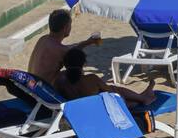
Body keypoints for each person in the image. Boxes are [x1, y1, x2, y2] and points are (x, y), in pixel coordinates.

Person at [28, 8, 157, 105]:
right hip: (51, 94)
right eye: (70, 25)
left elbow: (69, 51)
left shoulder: (44, 40)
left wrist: (87, 42)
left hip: (37, 90)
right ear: (66, 27)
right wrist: (86, 44)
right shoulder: (60, 50)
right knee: (107, 88)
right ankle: (142, 99)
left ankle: (141, 97)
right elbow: (70, 53)